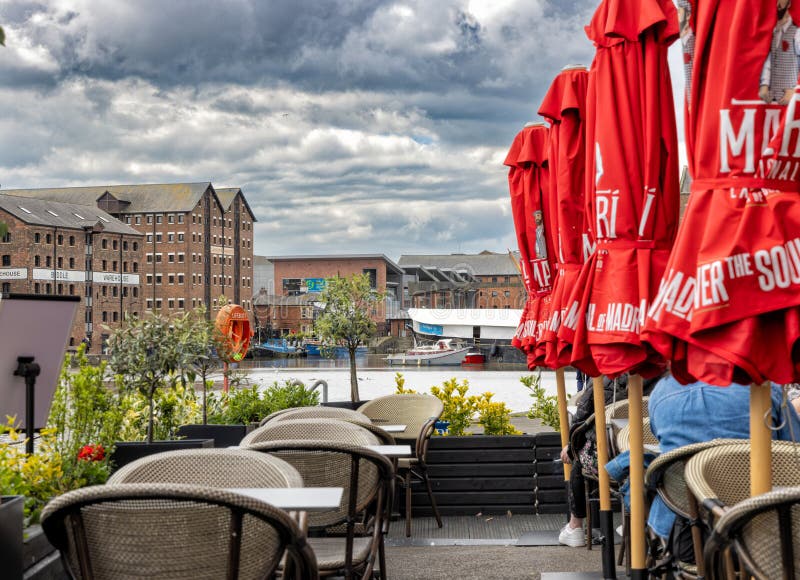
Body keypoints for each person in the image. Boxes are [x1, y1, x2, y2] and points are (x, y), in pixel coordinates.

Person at [647, 375, 800, 545]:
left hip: (686, 531)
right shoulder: (763, 387)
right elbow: (794, 449)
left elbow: (658, 436)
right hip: (764, 537)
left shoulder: (662, 391)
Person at [558, 373, 662, 547]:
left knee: (578, 458)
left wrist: (570, 445)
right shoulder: (664, 377)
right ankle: (642, 513)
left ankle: (575, 526)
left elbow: (582, 415)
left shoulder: (602, 375)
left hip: (610, 463)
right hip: (659, 460)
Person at [759, 0, 800, 105]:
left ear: (789, 3)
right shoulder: (769, 31)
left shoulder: (797, 32)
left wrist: (796, 89)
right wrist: (764, 85)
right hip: (770, 101)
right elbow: (768, 59)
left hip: (791, 102)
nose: (777, 4)